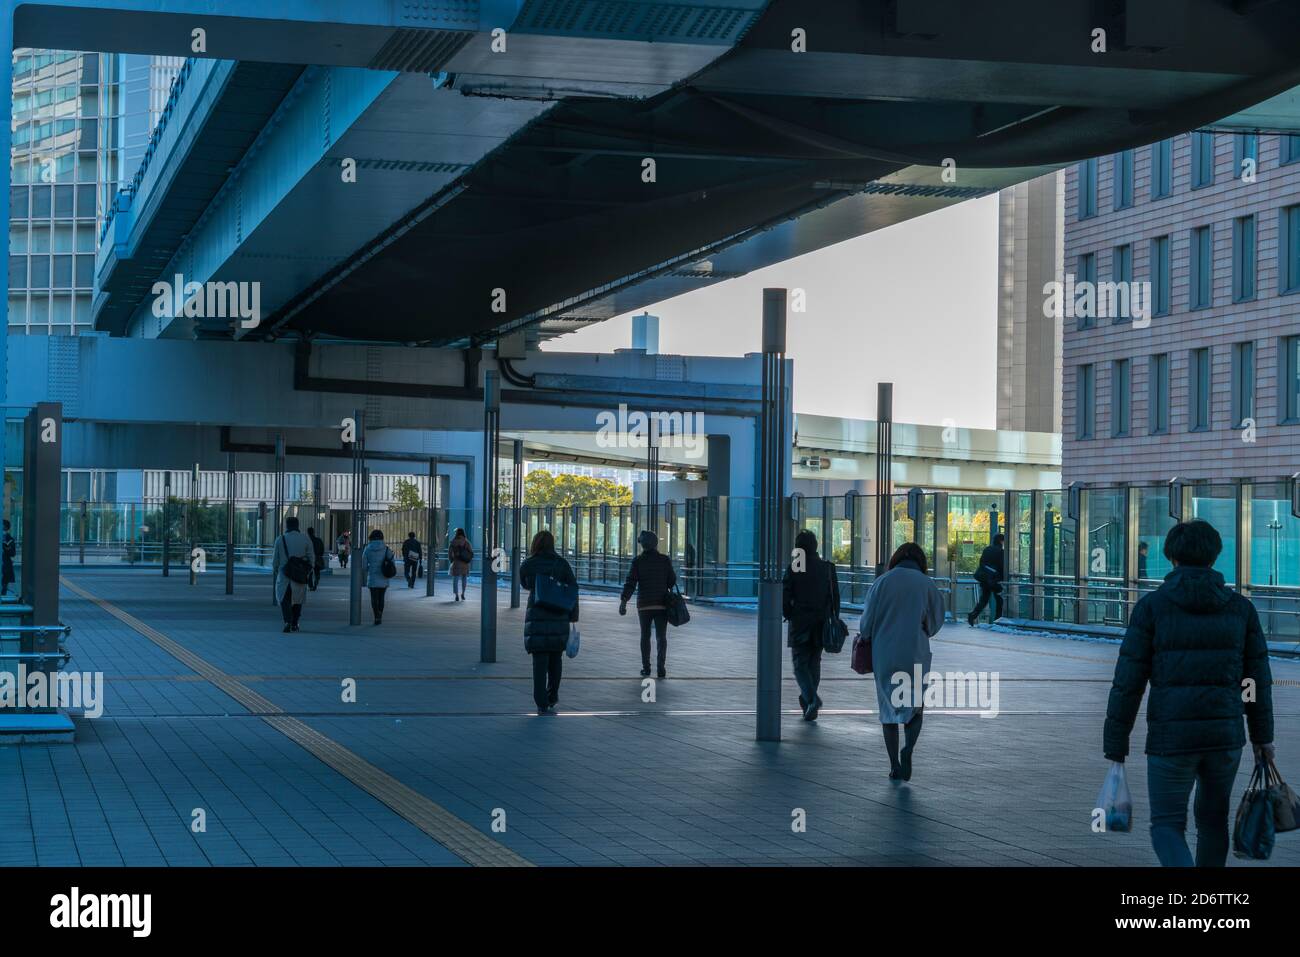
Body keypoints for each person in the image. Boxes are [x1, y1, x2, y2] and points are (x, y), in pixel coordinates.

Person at [1104, 519, 1274, 868]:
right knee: (1213, 822)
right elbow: (1254, 681)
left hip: (1172, 739)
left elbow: (1128, 681)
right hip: (1224, 738)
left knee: (1167, 825)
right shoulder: (1241, 609)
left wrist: (1116, 743)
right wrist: (1262, 736)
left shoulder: (1152, 608)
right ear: (1214, 557)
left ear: (1172, 558)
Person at [859, 542, 945, 781]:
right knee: (914, 707)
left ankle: (894, 764)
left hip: (884, 651)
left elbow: (866, 624)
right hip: (915, 651)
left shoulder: (882, 582)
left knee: (888, 710)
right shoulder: (926, 584)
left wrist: (869, 635)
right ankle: (909, 749)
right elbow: (936, 621)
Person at [782, 529, 839, 721]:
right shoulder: (827, 568)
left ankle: (812, 699)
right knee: (814, 662)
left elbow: (785, 595)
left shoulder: (796, 568)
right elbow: (835, 597)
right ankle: (809, 704)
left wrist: (788, 613)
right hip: (821, 623)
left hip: (800, 623)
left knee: (800, 664)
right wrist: (833, 617)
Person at [520, 529, 579, 715]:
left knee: (539, 664)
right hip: (558, 617)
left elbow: (525, 583)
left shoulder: (529, 564)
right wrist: (573, 615)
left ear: (535, 544)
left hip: (537, 619)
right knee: (555, 662)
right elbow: (573, 590)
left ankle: (541, 704)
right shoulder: (561, 564)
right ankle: (552, 696)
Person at [620, 530, 677, 679]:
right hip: (661, 604)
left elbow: (630, 583)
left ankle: (646, 668)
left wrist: (624, 601)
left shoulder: (638, 561)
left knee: (645, 636)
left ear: (643, 545)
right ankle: (661, 668)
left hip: (644, 605)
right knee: (661, 637)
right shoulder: (665, 560)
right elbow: (672, 581)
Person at [271, 516, 313, 633]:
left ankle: (287, 621)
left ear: (287, 526)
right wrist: (307, 570)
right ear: (297, 525)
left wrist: (276, 571)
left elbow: (275, 560)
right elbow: (311, 558)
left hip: (284, 575)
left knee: (285, 599)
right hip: (299, 575)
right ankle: (295, 623)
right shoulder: (305, 539)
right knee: (297, 600)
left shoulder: (280, 539)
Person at [967, 532, 1005, 626]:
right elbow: (1001, 566)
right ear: (1001, 541)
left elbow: (982, 563)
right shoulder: (1001, 552)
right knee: (1000, 600)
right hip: (995, 580)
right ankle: (998, 620)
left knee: (984, 599)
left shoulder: (987, 549)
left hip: (985, 578)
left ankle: (973, 615)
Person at [361, 529, 395, 624]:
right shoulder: (386, 549)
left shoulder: (367, 549)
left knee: (374, 598)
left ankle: (376, 616)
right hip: (383, 576)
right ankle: (380, 615)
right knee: (381, 597)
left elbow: (363, 565)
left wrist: (370, 569)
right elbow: (392, 562)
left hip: (373, 576)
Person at [448, 527, 472, 602]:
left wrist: (452, 560)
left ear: (457, 533)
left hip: (456, 562)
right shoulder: (466, 542)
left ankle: (456, 595)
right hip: (465, 563)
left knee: (455, 579)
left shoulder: (453, 542)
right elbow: (470, 552)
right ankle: (463, 593)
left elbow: (450, 553)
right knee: (464, 578)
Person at [307, 526, 326, 591]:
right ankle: (316, 582)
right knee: (317, 572)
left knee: (309, 572)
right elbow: (322, 549)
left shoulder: (307, 540)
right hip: (317, 558)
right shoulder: (318, 540)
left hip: (309, 559)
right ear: (313, 532)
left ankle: (311, 586)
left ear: (308, 532)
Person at [1, 519, 15, 596]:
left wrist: (7, 548)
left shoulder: (10, 539)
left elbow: (13, 553)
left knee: (4, 586)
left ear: (6, 528)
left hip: (5, 566)